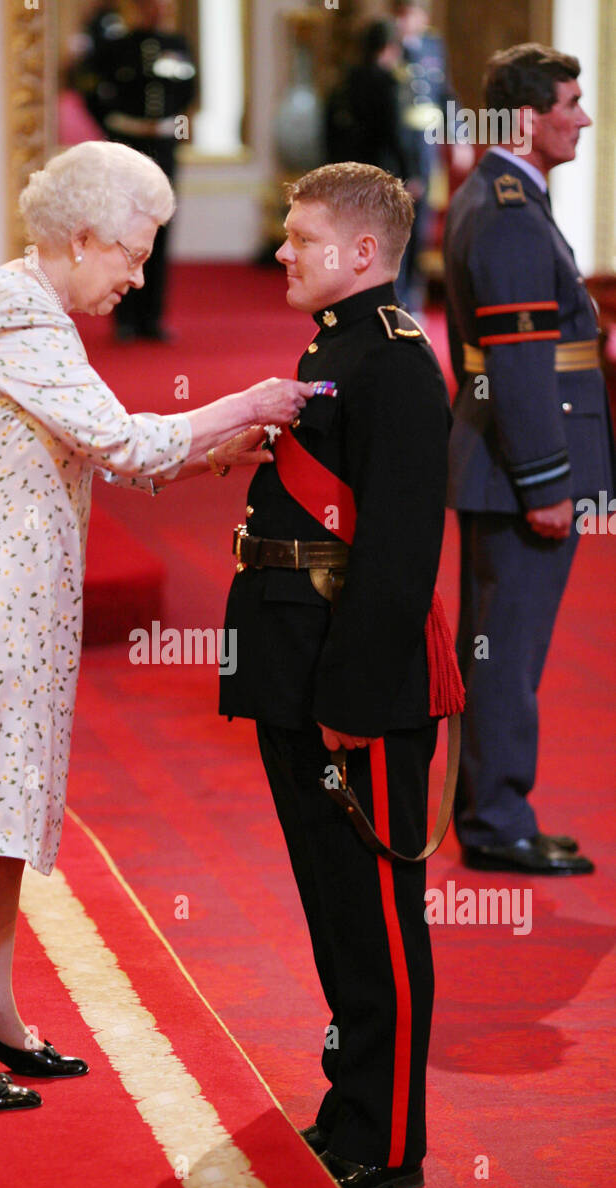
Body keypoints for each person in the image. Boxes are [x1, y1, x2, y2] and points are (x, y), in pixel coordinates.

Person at [0, 140, 312, 1112]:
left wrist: (203, 455)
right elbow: (118, 436)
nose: (139, 272)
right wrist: (246, 401)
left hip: (5, 573)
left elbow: (82, 443)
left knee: (1, 801)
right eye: (131, 249)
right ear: (79, 238)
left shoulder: (27, 303)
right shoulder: (12, 308)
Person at [220, 162, 455, 1188]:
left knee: (376, 917)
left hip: (357, 690)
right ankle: (352, 1102)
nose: (281, 248)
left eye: (299, 235)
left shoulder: (396, 363)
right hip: (300, 668)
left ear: (363, 252)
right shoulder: (336, 345)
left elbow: (400, 556)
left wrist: (351, 705)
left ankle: (387, 1132)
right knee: (334, 907)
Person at [443, 44, 614, 875]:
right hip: (520, 474)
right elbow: (516, 362)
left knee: (506, 650)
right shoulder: (509, 207)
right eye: (569, 103)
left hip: (509, 466)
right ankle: (496, 824)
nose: (583, 117)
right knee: (506, 654)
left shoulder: (508, 194)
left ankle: (499, 810)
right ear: (524, 118)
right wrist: (548, 483)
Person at [76, 0, 195, 342]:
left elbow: (187, 91)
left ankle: (152, 316)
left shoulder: (177, 46)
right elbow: (91, 88)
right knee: (123, 227)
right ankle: (125, 317)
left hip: (163, 144)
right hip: (126, 142)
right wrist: (111, 124)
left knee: (160, 227)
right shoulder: (116, 46)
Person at [391, 0, 469, 309]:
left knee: (420, 225)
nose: (414, 20)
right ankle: (393, 295)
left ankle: (413, 297)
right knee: (394, 221)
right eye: (408, 14)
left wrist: (460, 136)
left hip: (426, 145)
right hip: (396, 146)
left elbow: (445, 93)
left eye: (418, 14)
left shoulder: (432, 45)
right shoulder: (390, 43)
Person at [325, 19, 418, 187]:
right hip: (380, 171)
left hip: (345, 172)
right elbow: (394, 133)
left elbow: (329, 131)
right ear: (389, 47)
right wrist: (409, 174)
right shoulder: (386, 84)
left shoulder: (345, 81)